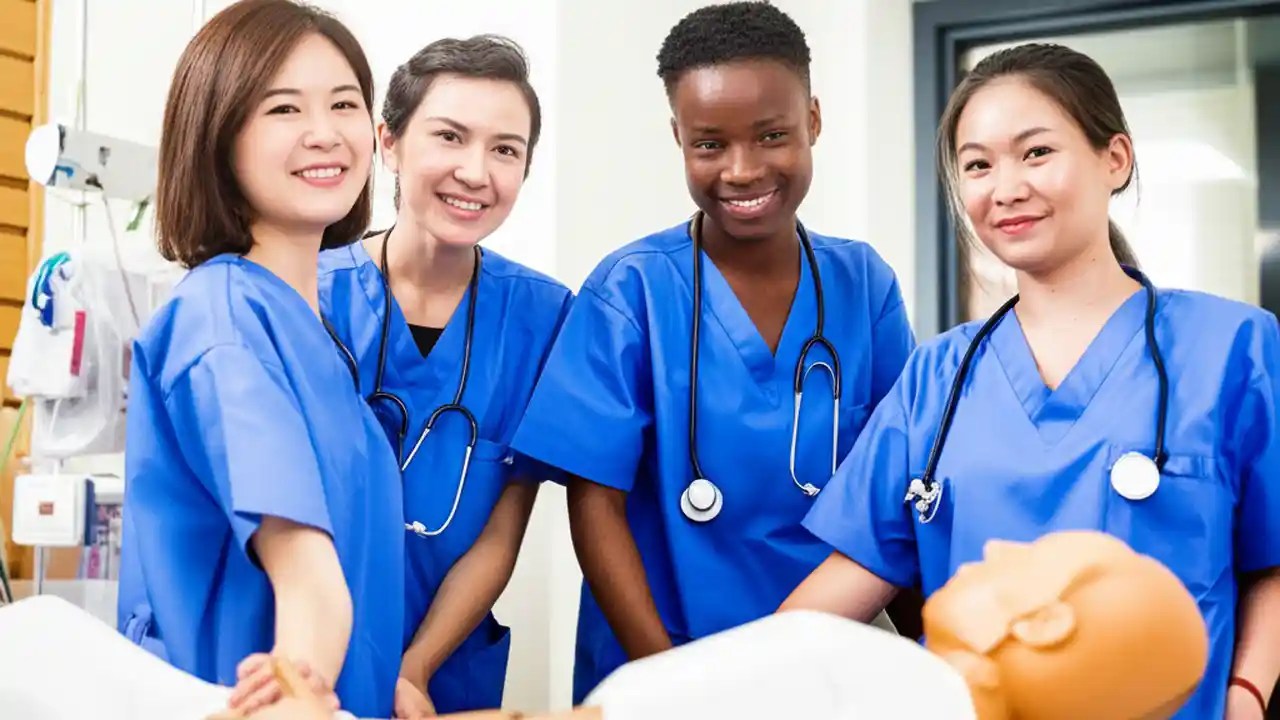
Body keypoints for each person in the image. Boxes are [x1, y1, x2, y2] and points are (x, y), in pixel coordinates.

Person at [780, 42, 1280, 720]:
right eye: (978, 165)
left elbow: (1271, 566)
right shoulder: (939, 376)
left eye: (1036, 152)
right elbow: (840, 591)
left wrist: (1246, 697)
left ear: (1116, 160)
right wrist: (701, 691)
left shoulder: (1234, 347)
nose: (1006, 187)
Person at [510, 1, 915, 703]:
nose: (742, 169)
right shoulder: (630, 289)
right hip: (658, 654)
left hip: (824, 666)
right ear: (678, 138)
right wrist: (671, 681)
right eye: (709, 144)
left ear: (813, 120)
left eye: (773, 135)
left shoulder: (863, 286)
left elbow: (895, 492)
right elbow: (595, 507)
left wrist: (937, 657)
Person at [115, 1, 403, 717]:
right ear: (219, 137)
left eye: (344, 103)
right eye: (283, 109)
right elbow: (309, 581)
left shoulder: (314, 330)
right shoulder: (225, 320)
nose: (325, 133)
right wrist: (301, 691)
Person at [317, 35, 572, 717]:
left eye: (505, 149)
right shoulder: (302, 294)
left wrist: (415, 668)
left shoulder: (545, 319)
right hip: (302, 658)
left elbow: (501, 527)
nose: (476, 171)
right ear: (389, 143)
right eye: (450, 137)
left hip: (443, 672)